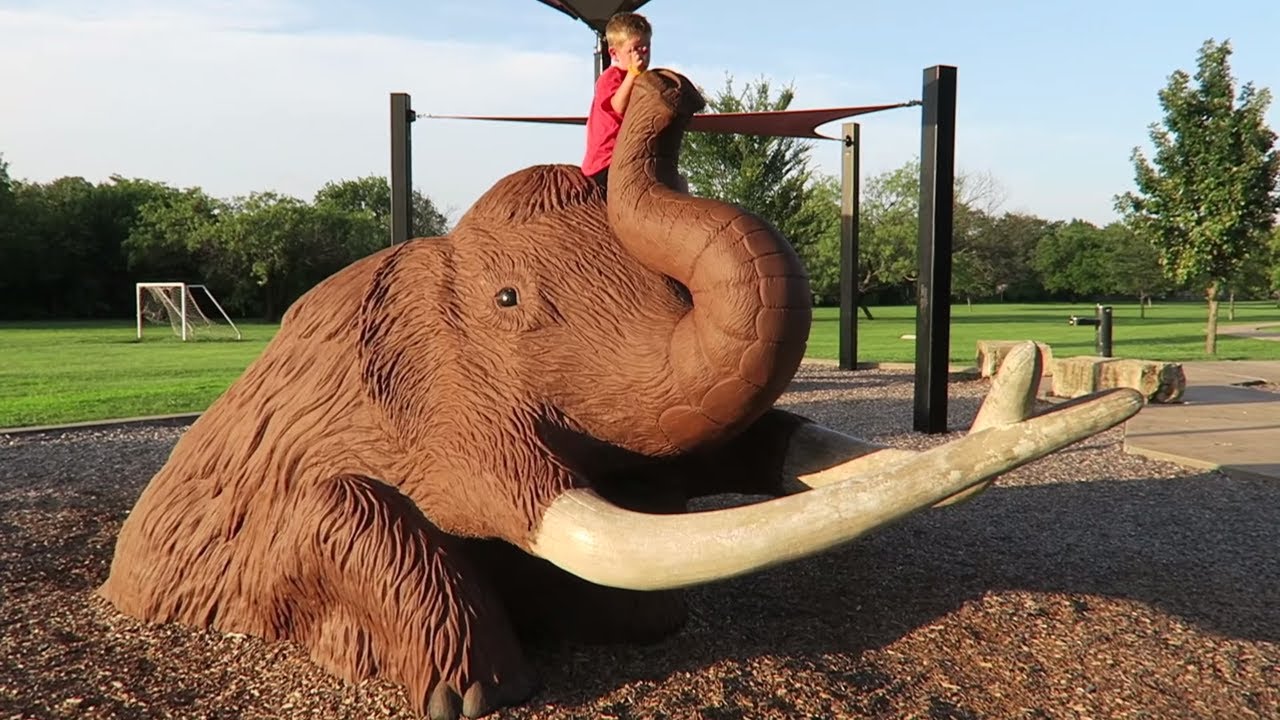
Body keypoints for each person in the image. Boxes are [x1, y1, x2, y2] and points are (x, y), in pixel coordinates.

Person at [581, 12, 652, 191]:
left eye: (646, 47)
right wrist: (633, 74)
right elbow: (618, 106)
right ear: (614, 53)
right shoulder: (610, 78)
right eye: (634, 49)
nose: (641, 54)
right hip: (606, 162)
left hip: (629, 157)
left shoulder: (641, 80)